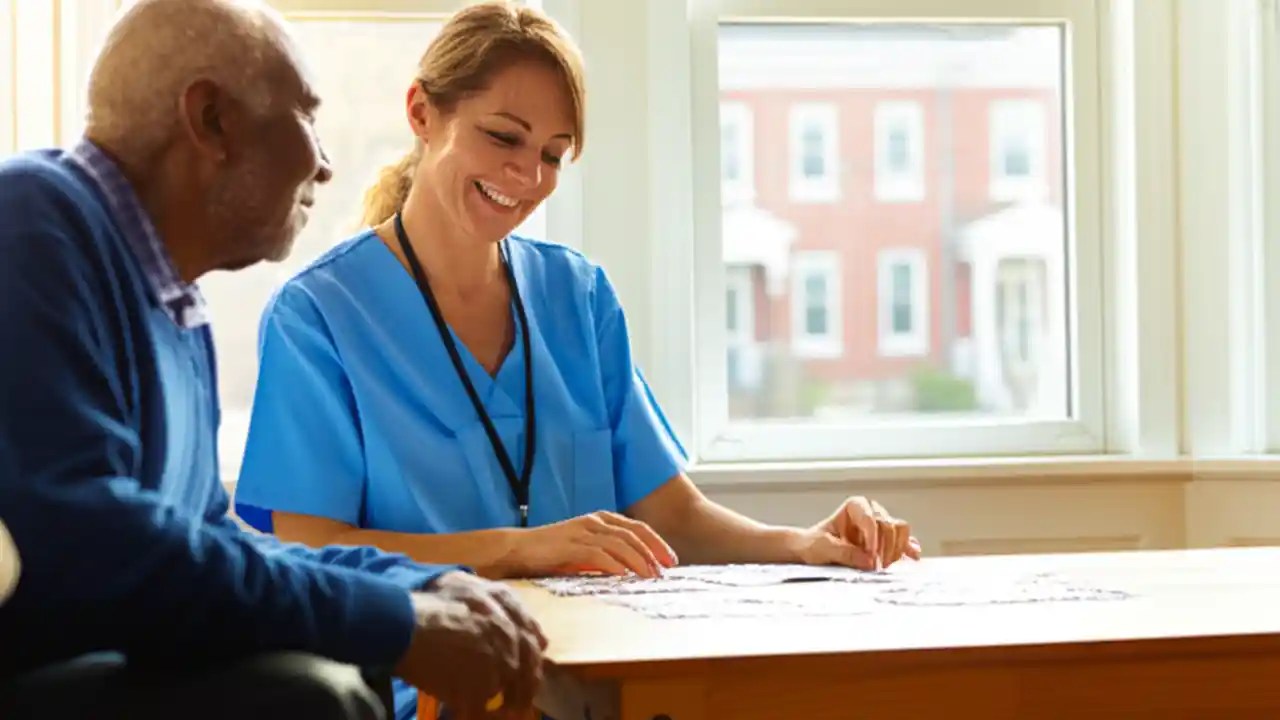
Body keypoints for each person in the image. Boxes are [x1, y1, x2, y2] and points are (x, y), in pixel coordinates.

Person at [234, 0, 921, 710]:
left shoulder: (579, 296)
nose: (527, 176)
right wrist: (518, 549)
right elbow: (316, 552)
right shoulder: (318, 315)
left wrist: (803, 545)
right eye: (504, 137)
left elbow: (671, 516)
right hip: (436, 687)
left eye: (553, 155)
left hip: (602, 678)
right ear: (421, 112)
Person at [0, 1, 547, 719]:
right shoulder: (30, 222)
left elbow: (209, 542)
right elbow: (91, 547)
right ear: (212, 121)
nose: (324, 163)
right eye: (307, 117)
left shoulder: (171, 297)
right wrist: (394, 620)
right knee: (309, 695)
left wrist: (420, 585)